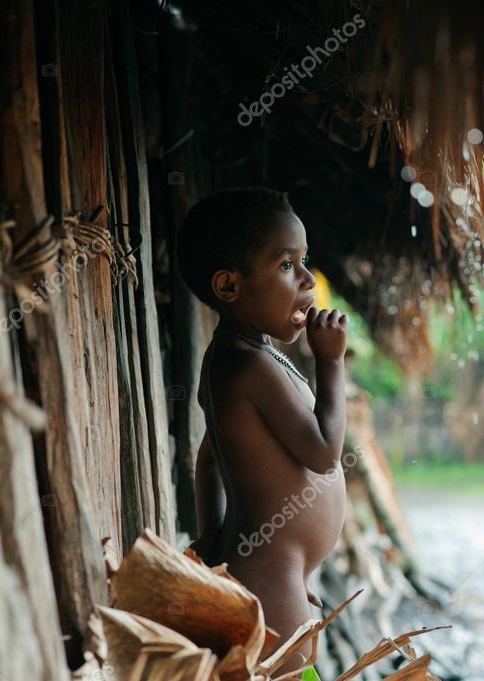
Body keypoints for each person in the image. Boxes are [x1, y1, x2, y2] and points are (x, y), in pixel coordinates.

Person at [177, 187, 348, 676]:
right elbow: (322, 454)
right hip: (271, 577)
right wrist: (331, 363)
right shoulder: (247, 364)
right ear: (230, 286)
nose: (308, 280)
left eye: (304, 260)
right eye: (286, 265)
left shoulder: (246, 355)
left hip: (277, 572)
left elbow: (210, 457)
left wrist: (212, 533)